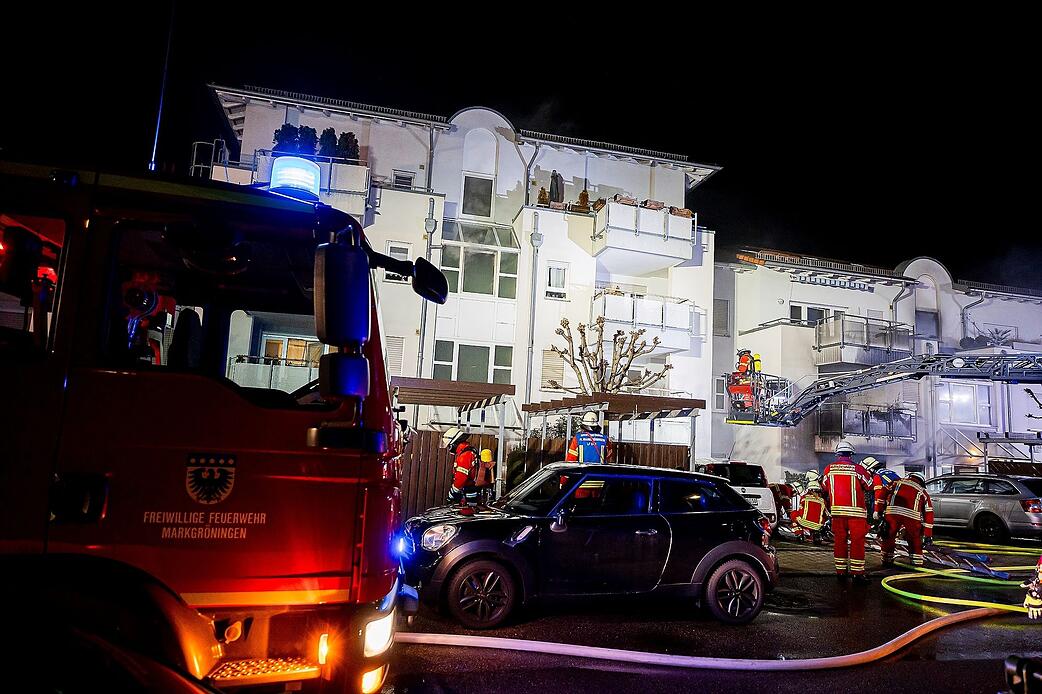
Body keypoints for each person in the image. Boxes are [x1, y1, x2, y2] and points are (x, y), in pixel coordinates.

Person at [822, 440, 873, 581]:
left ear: (837, 454)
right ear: (851, 454)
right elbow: (869, 485)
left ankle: (841, 572)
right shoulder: (858, 469)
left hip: (837, 513)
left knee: (839, 541)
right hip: (856, 514)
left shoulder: (828, 469)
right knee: (857, 541)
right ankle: (857, 573)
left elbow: (824, 487)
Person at [879, 471, 934, 568]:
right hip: (912, 517)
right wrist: (928, 534)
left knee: (889, 537)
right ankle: (916, 563)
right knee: (914, 539)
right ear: (921, 482)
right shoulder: (922, 491)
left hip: (892, 513)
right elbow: (929, 513)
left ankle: (886, 560)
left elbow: (883, 493)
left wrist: (879, 510)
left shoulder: (896, 482)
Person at [443, 427, 479, 503]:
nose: (449, 448)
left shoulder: (464, 456)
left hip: (468, 493)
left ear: (454, 443)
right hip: (470, 491)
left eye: (449, 445)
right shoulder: (467, 452)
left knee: (466, 513)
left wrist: (451, 495)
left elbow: (461, 479)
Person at [864, 457, 901, 524]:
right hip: (900, 501)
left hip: (892, 503)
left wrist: (876, 511)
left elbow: (878, 494)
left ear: (871, 469)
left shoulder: (877, 476)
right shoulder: (889, 472)